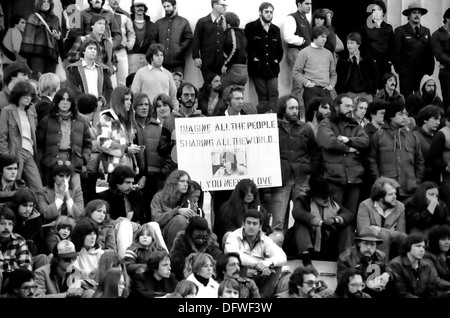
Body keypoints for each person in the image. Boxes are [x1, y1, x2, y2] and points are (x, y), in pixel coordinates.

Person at [267, 94, 322, 238]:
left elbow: (315, 152)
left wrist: (310, 169)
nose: (295, 111)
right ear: (283, 108)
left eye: (297, 108)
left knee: (303, 217)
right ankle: (278, 251)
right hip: (281, 179)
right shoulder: (273, 128)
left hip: (302, 179)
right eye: (291, 108)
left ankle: (300, 250)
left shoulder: (306, 129)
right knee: (278, 221)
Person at [316, 93, 369, 219]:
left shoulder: (355, 125)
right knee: (333, 216)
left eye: (352, 106)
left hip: (354, 178)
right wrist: (351, 148)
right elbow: (329, 142)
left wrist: (347, 139)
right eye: (347, 106)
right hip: (334, 178)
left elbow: (365, 141)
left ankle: (348, 239)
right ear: (336, 107)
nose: (351, 109)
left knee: (350, 217)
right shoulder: (326, 123)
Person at [284, 177, 355, 263]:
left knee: (346, 227)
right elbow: (298, 212)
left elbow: (348, 214)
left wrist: (336, 219)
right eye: (322, 196)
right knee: (301, 224)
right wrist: (317, 222)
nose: (326, 198)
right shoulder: (303, 200)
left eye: (327, 195)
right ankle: (306, 260)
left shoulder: (333, 201)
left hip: (329, 245)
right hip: (310, 244)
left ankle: (346, 260)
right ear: (314, 195)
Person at [36, 87, 92, 189]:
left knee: (76, 195)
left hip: (74, 162)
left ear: (72, 103)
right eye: (62, 99)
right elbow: (39, 144)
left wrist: (83, 159)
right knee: (53, 196)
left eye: (68, 100)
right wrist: (44, 160)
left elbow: (88, 144)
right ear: (57, 101)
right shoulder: (47, 120)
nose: (65, 103)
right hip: (52, 164)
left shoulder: (81, 121)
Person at [368, 101, 424, 200]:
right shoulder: (378, 136)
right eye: (401, 114)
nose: (405, 117)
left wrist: (417, 181)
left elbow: (419, 161)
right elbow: (372, 160)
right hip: (386, 190)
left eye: (406, 114)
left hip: (409, 190)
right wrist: (378, 181)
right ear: (390, 116)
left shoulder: (412, 136)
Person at [224, 209, 286, 298]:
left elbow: (282, 256)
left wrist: (265, 264)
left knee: (277, 266)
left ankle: (262, 297)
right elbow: (232, 253)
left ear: (260, 226)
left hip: (258, 275)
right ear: (243, 224)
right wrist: (256, 264)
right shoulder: (233, 236)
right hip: (239, 275)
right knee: (235, 261)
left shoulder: (265, 239)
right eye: (248, 223)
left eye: (255, 224)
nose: (251, 226)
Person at [133, 92, 172, 221]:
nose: (144, 107)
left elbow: (165, 151)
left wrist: (163, 171)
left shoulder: (158, 126)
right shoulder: (130, 126)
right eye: (140, 105)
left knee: (152, 210)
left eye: (146, 104)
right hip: (135, 174)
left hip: (155, 175)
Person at [0, 81, 42, 193]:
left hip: (30, 152)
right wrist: (6, 158)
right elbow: (2, 136)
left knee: (38, 187)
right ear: (18, 95)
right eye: (25, 96)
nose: (28, 99)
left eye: (30, 96)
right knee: (13, 184)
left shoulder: (31, 112)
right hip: (15, 152)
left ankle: (38, 209)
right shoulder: (7, 111)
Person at [97, 165, 146, 257]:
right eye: (127, 183)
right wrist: (113, 222)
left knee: (153, 226)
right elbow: (97, 220)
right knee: (124, 224)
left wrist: (138, 225)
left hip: (136, 231)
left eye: (132, 183)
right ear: (117, 182)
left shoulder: (136, 196)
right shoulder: (104, 197)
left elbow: (143, 219)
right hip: (114, 231)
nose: (131, 186)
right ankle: (125, 261)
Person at [245, 2, 283, 113]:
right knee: (262, 95)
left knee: (274, 93)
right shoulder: (251, 27)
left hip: (272, 68)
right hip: (257, 68)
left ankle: (275, 119)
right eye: (266, 11)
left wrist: (276, 60)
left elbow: (280, 49)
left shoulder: (276, 29)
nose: (269, 14)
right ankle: (265, 119)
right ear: (260, 12)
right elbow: (247, 47)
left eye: (271, 12)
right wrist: (254, 58)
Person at [157, 82, 204, 173]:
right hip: (176, 170)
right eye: (186, 95)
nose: (190, 98)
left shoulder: (203, 120)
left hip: (199, 168)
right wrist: (172, 142)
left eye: (192, 95)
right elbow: (161, 150)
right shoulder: (169, 121)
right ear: (179, 97)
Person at [356, 177, 407, 259]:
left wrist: (380, 230)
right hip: (370, 244)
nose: (395, 197)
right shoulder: (365, 205)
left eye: (395, 193)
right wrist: (387, 233)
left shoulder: (400, 206)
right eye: (390, 194)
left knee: (404, 240)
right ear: (380, 197)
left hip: (393, 245)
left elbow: (401, 235)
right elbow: (363, 231)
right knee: (384, 235)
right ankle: (381, 266)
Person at [387, 233, 450, 298]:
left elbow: (431, 291)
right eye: (418, 246)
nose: (422, 250)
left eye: (423, 247)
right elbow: (402, 293)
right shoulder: (396, 265)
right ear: (408, 247)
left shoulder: (426, 265)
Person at [336, 227, 393, 298]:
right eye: (366, 244)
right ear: (359, 243)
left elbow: (389, 269)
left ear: (376, 246)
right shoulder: (346, 258)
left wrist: (387, 274)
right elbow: (342, 283)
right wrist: (367, 284)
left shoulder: (381, 256)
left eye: (372, 244)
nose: (369, 247)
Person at [215, 178, 272, 249]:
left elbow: (267, 229)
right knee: (228, 235)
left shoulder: (259, 208)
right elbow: (227, 229)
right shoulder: (228, 208)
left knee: (278, 236)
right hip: (237, 240)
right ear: (240, 193)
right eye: (246, 192)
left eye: (251, 192)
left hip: (257, 240)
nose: (249, 195)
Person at [393, 3, 434, 97]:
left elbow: (430, 53)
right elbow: (396, 53)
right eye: (414, 12)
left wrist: (429, 71)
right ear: (409, 15)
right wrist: (401, 70)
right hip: (407, 73)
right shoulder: (400, 31)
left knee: (422, 99)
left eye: (419, 13)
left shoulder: (426, 31)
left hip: (422, 73)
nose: (417, 15)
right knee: (407, 99)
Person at [98, 86, 141, 175]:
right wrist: (125, 149)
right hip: (111, 170)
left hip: (127, 168)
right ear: (118, 101)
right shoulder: (107, 117)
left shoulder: (127, 120)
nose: (129, 103)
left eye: (130, 100)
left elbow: (125, 144)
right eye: (126, 99)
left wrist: (133, 148)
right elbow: (102, 143)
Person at [292, 25, 337, 113]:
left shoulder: (328, 53)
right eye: (322, 36)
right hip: (311, 90)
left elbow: (333, 73)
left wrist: (331, 86)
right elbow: (296, 72)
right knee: (311, 116)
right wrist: (307, 83)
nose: (325, 39)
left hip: (325, 90)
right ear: (315, 37)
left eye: (326, 37)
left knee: (328, 117)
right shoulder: (304, 52)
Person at [151, 169, 195, 251]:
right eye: (182, 181)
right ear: (173, 183)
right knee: (180, 219)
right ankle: (172, 253)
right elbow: (155, 219)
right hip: (164, 234)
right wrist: (176, 211)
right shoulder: (159, 197)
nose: (186, 184)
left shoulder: (188, 199)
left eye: (187, 182)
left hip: (186, 233)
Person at [170, 216, 222, 281]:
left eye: (203, 237)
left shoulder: (211, 241)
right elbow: (176, 264)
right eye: (197, 236)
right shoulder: (181, 240)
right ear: (190, 232)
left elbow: (217, 261)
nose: (200, 240)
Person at [20, 0, 62, 78]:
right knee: (38, 78)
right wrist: (28, 55)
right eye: (43, 2)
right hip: (37, 54)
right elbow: (29, 36)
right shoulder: (33, 17)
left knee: (50, 80)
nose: (46, 3)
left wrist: (58, 36)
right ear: (39, 4)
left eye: (48, 1)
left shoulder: (55, 18)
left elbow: (59, 36)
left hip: (52, 54)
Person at [131, 43, 179, 110]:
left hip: (164, 111)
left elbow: (173, 96)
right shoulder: (141, 73)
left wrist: (175, 110)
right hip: (147, 111)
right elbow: (135, 93)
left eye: (161, 55)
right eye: (157, 55)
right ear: (151, 57)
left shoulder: (168, 74)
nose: (160, 58)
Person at [359, 0, 394, 89]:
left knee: (384, 90)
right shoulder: (365, 28)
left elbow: (392, 45)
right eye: (374, 10)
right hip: (370, 64)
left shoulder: (388, 28)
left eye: (379, 9)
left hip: (385, 65)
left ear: (383, 12)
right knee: (371, 89)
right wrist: (369, 59)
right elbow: (362, 46)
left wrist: (390, 60)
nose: (376, 12)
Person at [66, 38, 113, 103]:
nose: (93, 51)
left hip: (99, 107)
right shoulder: (73, 69)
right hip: (81, 106)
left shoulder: (103, 69)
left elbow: (108, 89)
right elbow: (73, 90)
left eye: (95, 49)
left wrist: (101, 102)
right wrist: (87, 103)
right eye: (90, 48)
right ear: (83, 51)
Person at [154, 0, 193, 75]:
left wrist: (180, 48)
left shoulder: (184, 22)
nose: (166, 9)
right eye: (164, 7)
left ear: (174, 6)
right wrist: (157, 50)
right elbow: (153, 38)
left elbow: (189, 38)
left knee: (177, 84)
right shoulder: (158, 23)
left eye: (168, 6)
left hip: (178, 62)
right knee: (162, 85)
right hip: (161, 62)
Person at [335, 32, 378, 98]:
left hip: (365, 94)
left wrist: (372, 93)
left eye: (352, 43)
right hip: (348, 94)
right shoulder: (342, 60)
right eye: (348, 43)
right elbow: (337, 78)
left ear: (358, 44)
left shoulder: (367, 59)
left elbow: (375, 76)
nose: (349, 46)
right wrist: (341, 94)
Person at [191, 0, 226, 81]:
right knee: (208, 86)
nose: (225, 7)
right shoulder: (202, 22)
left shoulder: (225, 22)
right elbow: (196, 40)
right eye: (222, 5)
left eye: (225, 5)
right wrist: (196, 57)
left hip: (221, 62)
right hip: (207, 61)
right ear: (215, 5)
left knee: (219, 87)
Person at [0, 205, 32, 292]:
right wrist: (14, 267)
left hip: (14, 282)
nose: (7, 227)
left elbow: (25, 268)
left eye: (10, 224)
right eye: (2, 223)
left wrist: (10, 272)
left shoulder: (18, 240)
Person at [104, 0, 135, 87]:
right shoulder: (103, 12)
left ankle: (122, 99)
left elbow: (131, 32)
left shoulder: (125, 14)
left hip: (121, 50)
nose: (115, 1)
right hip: (108, 51)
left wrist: (129, 44)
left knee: (123, 80)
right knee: (111, 80)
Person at [8, 188, 45, 257]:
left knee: (43, 257)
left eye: (30, 206)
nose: (28, 209)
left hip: (30, 256)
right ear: (17, 205)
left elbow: (40, 242)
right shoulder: (9, 219)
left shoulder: (36, 220)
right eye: (24, 205)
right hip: (11, 254)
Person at [282, 0, 312, 84]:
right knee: (298, 83)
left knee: (305, 84)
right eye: (306, 3)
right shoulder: (292, 17)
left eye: (310, 4)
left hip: (305, 53)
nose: (309, 6)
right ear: (299, 4)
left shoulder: (306, 19)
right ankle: (295, 97)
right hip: (296, 52)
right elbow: (287, 36)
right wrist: (302, 41)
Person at [69, 218, 105, 284]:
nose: (93, 237)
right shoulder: (72, 254)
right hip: (81, 291)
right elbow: (74, 281)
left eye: (94, 234)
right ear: (80, 235)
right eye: (89, 234)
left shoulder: (101, 254)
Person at [127, 0, 156, 74]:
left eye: (142, 6)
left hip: (146, 57)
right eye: (137, 6)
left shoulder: (151, 25)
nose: (140, 8)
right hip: (131, 56)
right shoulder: (127, 23)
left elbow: (154, 41)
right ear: (133, 8)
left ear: (145, 8)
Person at [220, 11, 248, 88]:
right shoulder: (242, 33)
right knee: (238, 96)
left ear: (229, 24)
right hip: (244, 69)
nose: (221, 23)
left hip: (234, 69)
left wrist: (226, 64)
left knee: (225, 94)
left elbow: (235, 48)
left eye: (223, 21)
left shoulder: (232, 31)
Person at [431, 8, 450, 111]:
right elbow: (439, 54)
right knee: (448, 98)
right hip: (446, 72)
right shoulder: (437, 35)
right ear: (447, 18)